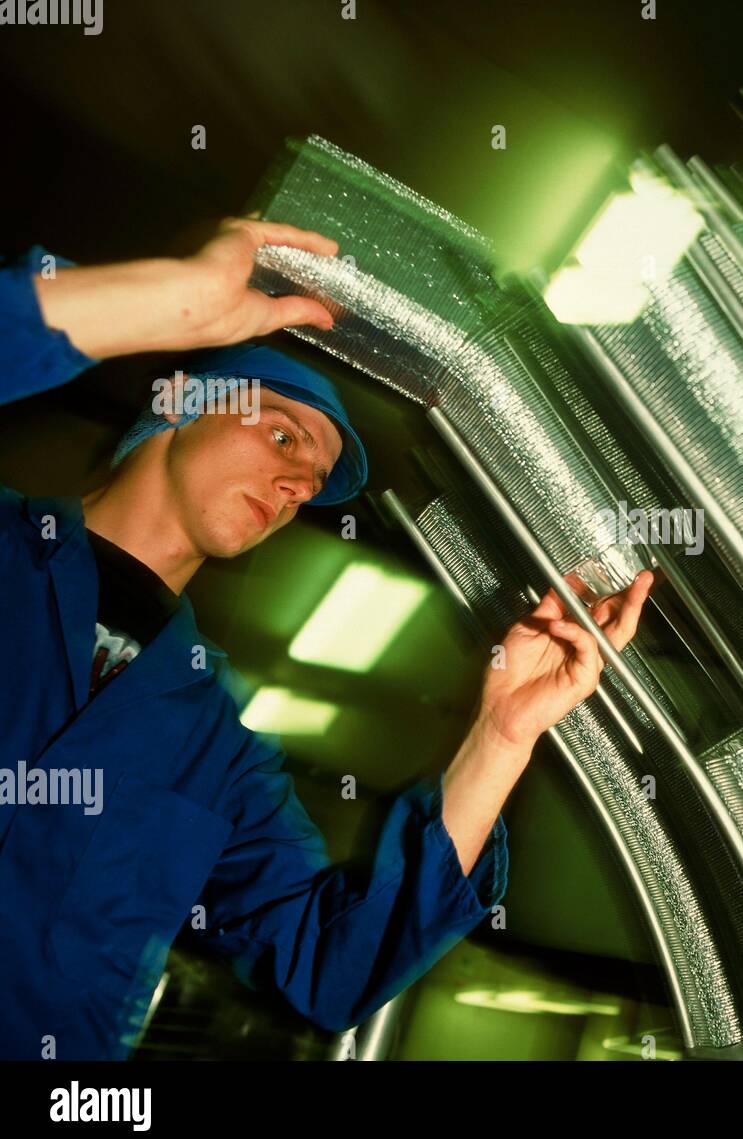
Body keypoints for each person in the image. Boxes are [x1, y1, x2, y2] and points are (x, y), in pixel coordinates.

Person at [0, 215, 654, 1060]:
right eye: (282, 436)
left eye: (309, 483)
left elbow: (333, 965)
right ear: (180, 406)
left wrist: (498, 738)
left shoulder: (217, 751)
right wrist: (159, 301)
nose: (295, 483)